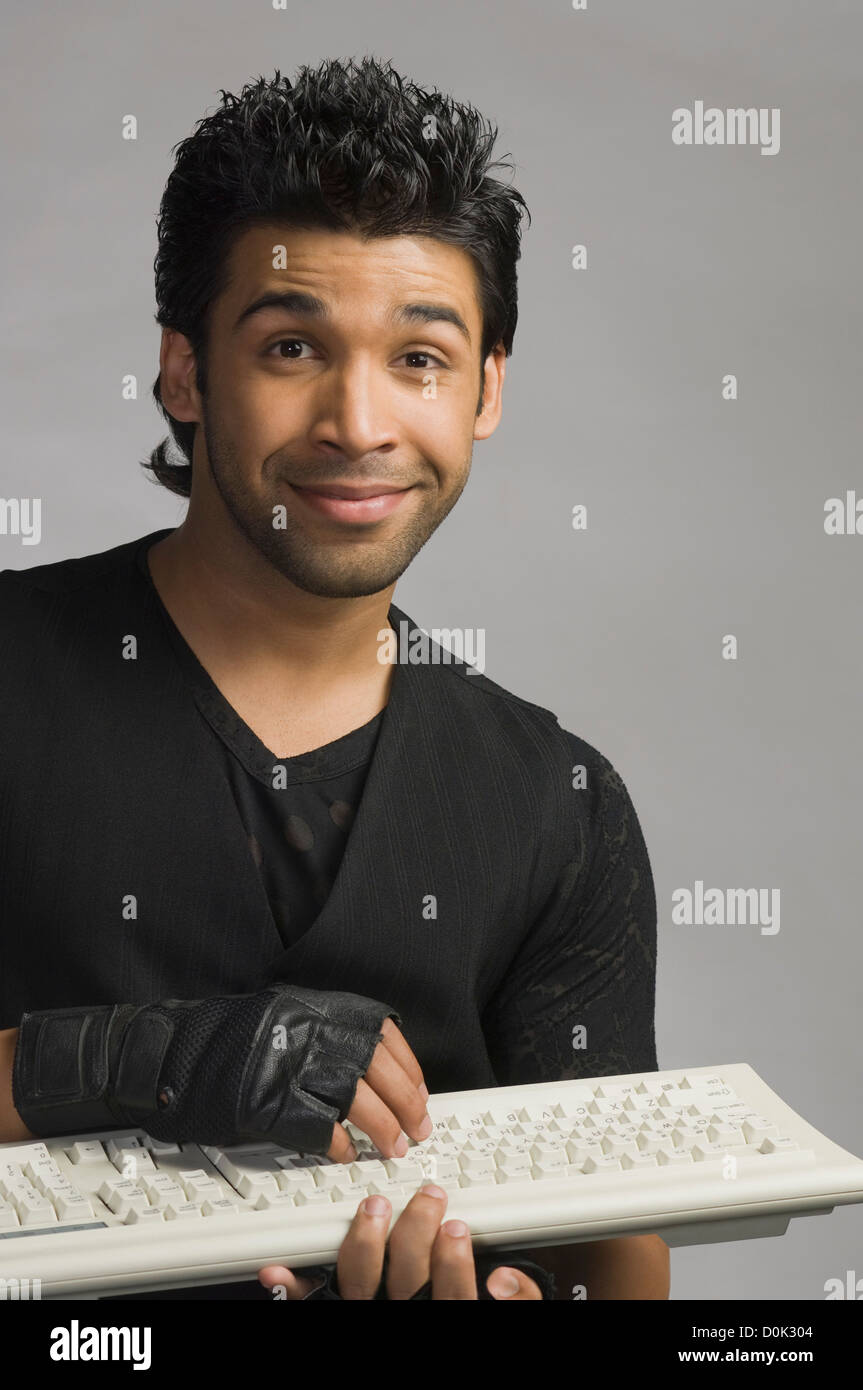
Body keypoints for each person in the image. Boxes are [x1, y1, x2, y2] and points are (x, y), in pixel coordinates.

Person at [0, 56, 669, 1301]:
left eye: (419, 357)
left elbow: (617, 1265)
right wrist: (132, 1060)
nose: (358, 422)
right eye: (293, 346)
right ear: (187, 372)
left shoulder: (559, 809)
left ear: (486, 389)